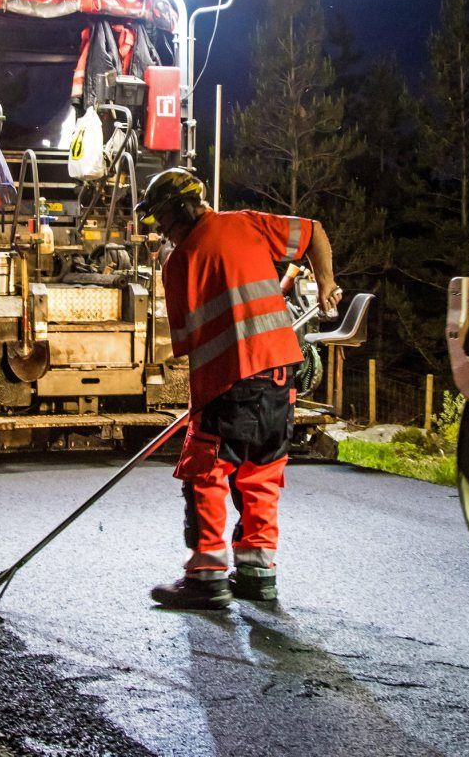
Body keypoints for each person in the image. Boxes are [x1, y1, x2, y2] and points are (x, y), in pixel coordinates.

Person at [137, 168, 341, 610]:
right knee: (261, 473)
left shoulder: (178, 265)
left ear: (180, 210)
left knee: (206, 471)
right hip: (280, 377)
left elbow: (191, 342)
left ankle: (207, 576)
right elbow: (314, 234)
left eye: (163, 220)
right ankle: (256, 574)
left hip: (230, 383)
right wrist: (323, 283)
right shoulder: (245, 224)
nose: (163, 230)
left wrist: (199, 409)